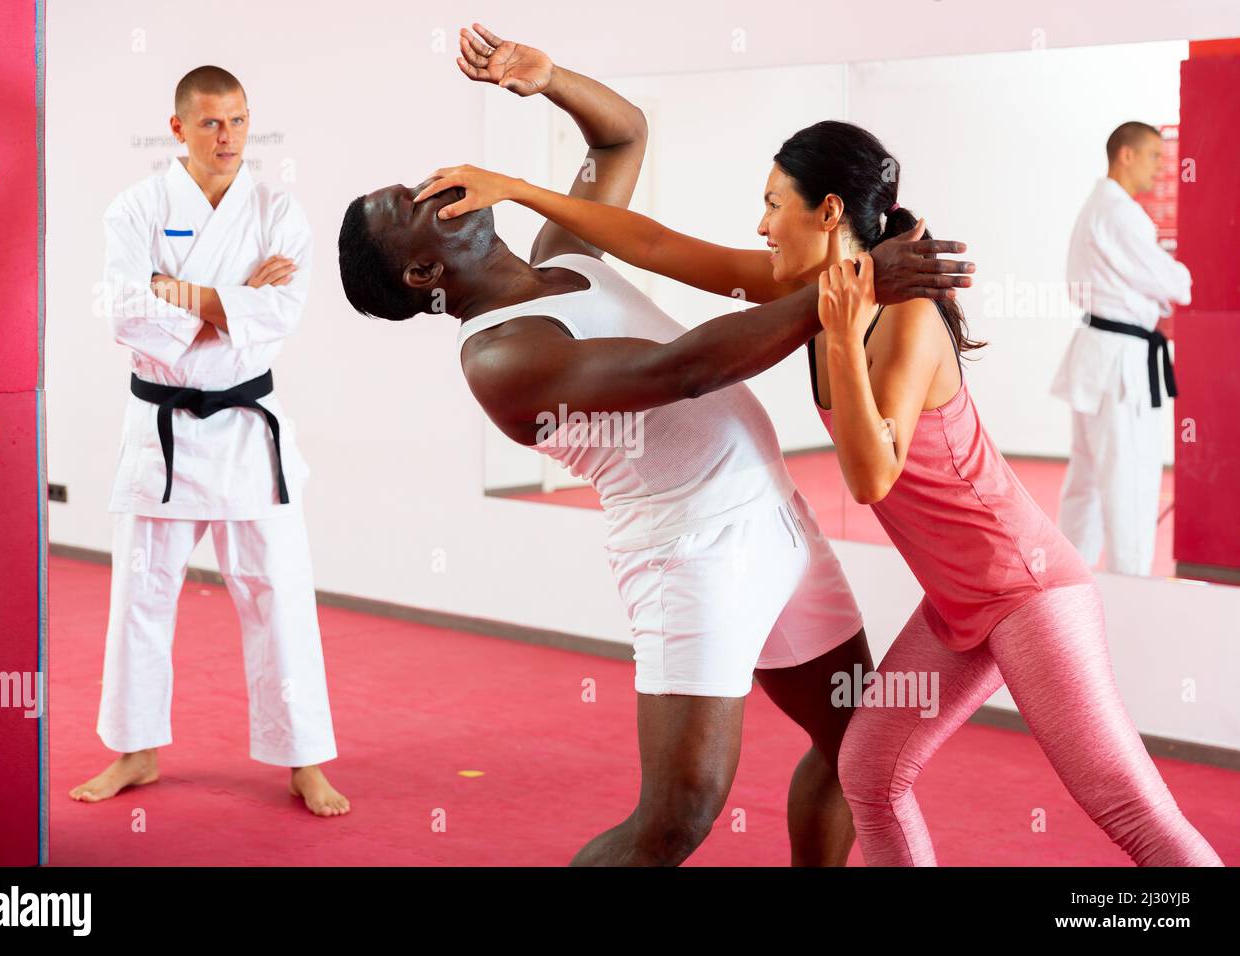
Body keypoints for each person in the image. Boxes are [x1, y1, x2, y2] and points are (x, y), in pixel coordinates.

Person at [418, 119, 1222, 867]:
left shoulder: (898, 318)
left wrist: (838, 329)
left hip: (1028, 592)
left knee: (1127, 810)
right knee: (869, 770)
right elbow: (655, 242)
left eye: (773, 204)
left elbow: (873, 478)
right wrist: (518, 189)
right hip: (956, 605)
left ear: (828, 209)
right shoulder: (807, 286)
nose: (762, 226)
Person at [342, 25, 974, 865]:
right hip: (691, 559)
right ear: (423, 275)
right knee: (678, 819)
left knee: (854, 745)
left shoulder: (564, 249)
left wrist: (546, 77)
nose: (434, 187)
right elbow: (687, 368)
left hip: (776, 523)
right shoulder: (502, 357)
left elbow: (622, 134)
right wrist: (850, 286)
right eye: (410, 205)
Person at [70, 66, 348, 817]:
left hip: (249, 433)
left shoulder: (278, 211)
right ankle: (135, 751)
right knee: (140, 596)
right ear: (179, 128)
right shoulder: (135, 208)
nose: (227, 138)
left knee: (279, 595)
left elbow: (279, 314)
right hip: (160, 431)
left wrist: (176, 289)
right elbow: (125, 315)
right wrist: (234, 296)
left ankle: (303, 761)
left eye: (238, 121)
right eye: (210, 124)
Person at [1052, 121, 1190, 576]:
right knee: (1127, 485)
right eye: (1153, 155)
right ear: (1126, 154)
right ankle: (1134, 591)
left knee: (1087, 483)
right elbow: (1176, 284)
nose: (1161, 164)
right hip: (1120, 366)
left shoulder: (1098, 207)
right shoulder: (1120, 213)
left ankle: (1072, 585)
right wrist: (1172, 283)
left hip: (1100, 354)